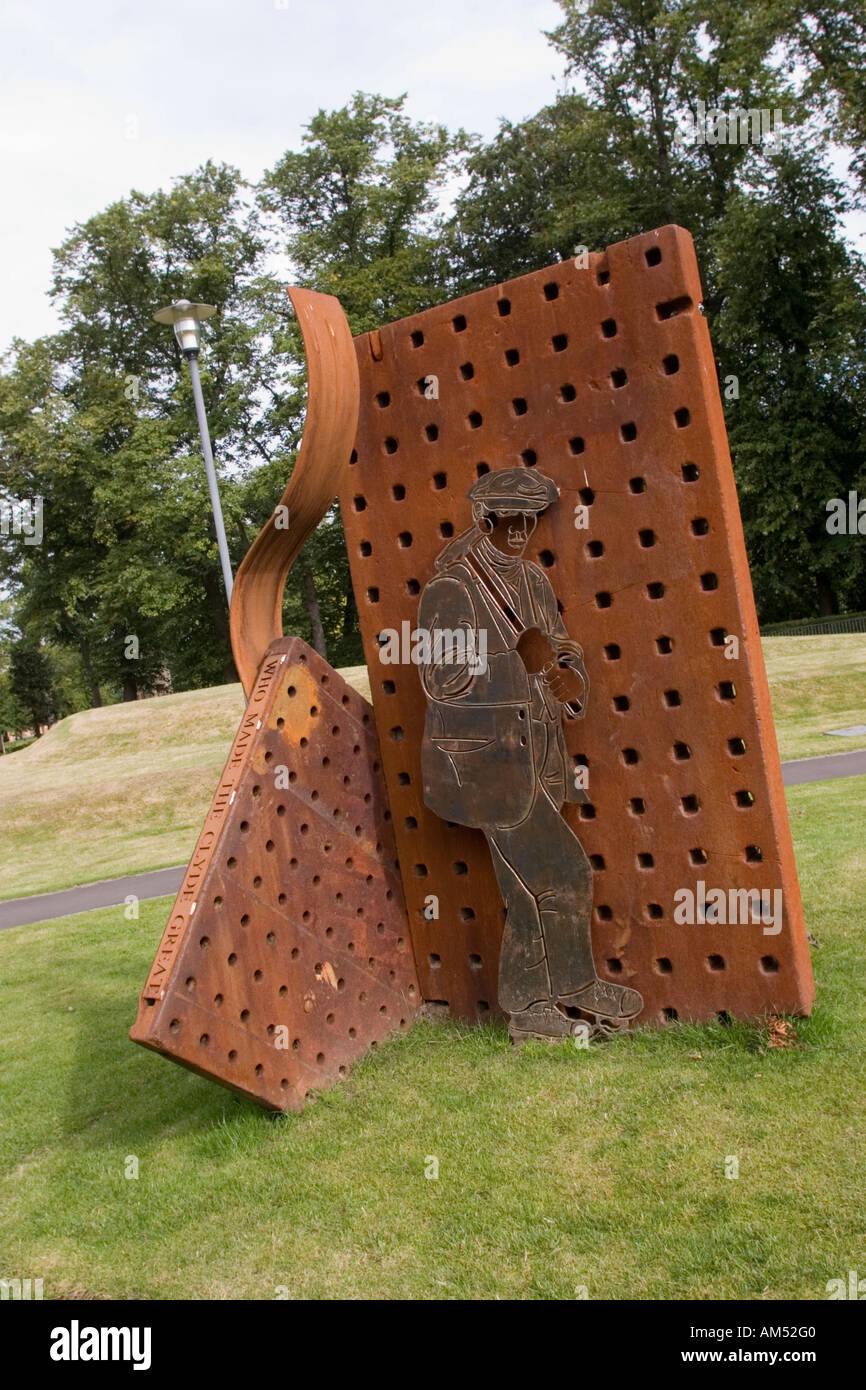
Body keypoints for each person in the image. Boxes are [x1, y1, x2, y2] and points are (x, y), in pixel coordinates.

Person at [418, 467, 643, 1041]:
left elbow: (560, 649)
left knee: (525, 889)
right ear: (485, 519)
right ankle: (571, 989)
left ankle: (532, 1011)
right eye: (508, 521)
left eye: (530, 520)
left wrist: (571, 680)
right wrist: (519, 656)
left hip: (540, 752)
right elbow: (441, 679)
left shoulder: (534, 581)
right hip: (487, 765)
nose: (520, 532)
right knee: (564, 871)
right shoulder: (452, 588)